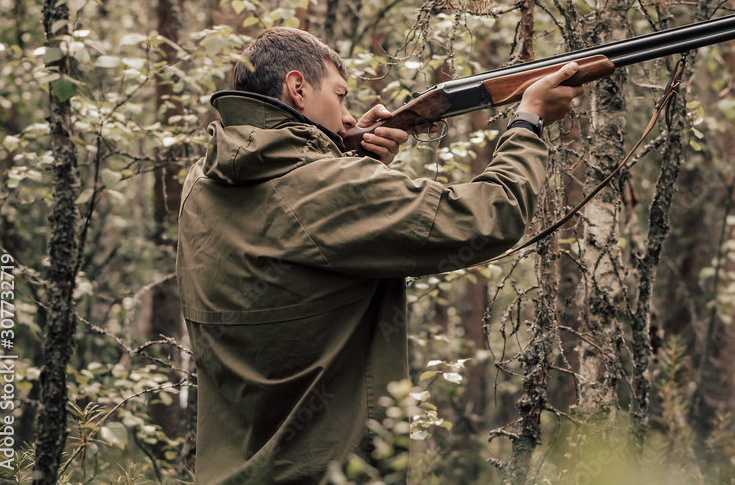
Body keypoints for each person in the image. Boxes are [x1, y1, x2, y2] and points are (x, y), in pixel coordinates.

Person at [175, 26, 583, 484]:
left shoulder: (201, 182)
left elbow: (299, 240)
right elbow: (492, 216)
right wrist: (529, 121)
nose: (350, 117)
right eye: (340, 96)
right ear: (297, 88)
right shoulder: (330, 188)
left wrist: (351, 161)